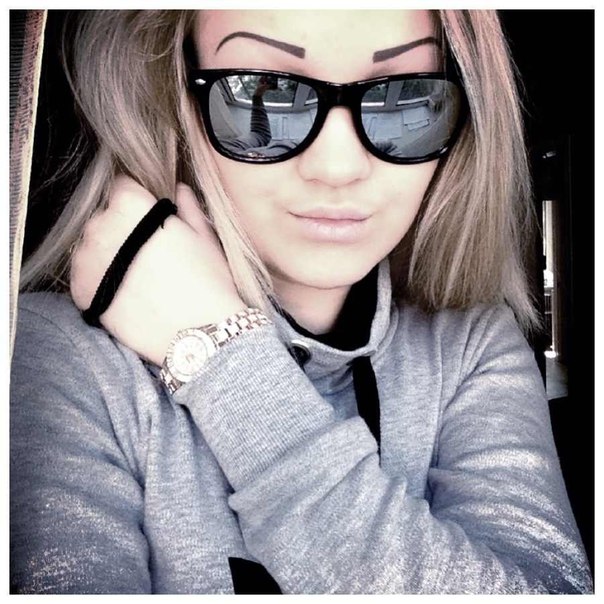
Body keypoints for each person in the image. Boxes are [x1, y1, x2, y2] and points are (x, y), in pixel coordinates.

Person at [10, 9, 593, 594]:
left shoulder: (472, 346)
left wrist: (220, 358)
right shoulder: (55, 357)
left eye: (405, 96)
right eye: (266, 92)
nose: (338, 168)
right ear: (172, 97)